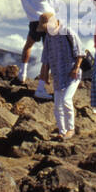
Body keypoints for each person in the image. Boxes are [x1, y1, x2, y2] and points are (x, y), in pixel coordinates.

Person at [39, 11, 83, 139]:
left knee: (66, 100)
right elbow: (46, 57)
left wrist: (76, 68)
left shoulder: (67, 32)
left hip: (71, 74)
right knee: (57, 105)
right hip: (58, 75)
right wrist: (45, 75)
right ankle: (62, 131)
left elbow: (79, 52)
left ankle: (71, 129)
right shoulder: (48, 37)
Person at [19, 0, 59, 100]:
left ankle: (22, 74)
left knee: (28, 45)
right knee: (47, 53)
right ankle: (41, 88)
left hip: (33, 21)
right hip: (47, 20)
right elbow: (55, 4)